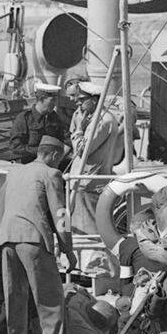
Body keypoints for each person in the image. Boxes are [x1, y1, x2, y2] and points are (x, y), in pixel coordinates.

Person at [0, 135, 77, 334]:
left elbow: (0, 211)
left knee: (14, 297)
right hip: (33, 240)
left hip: (7, 238)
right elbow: (61, 216)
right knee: (50, 300)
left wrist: (7, 234)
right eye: (59, 159)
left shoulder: (14, 173)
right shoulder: (51, 175)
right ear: (52, 155)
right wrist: (68, 249)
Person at [68, 79, 126, 234]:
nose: (78, 103)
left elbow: (83, 150)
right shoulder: (96, 118)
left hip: (88, 183)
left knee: (88, 229)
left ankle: (94, 256)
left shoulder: (102, 121)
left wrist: (78, 131)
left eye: (81, 100)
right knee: (79, 225)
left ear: (94, 100)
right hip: (85, 181)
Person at [9, 84, 65, 163]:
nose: (55, 104)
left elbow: (63, 139)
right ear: (42, 99)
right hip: (29, 163)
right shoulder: (24, 118)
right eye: (52, 100)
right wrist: (41, 152)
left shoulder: (54, 117)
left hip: (51, 163)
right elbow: (15, 147)